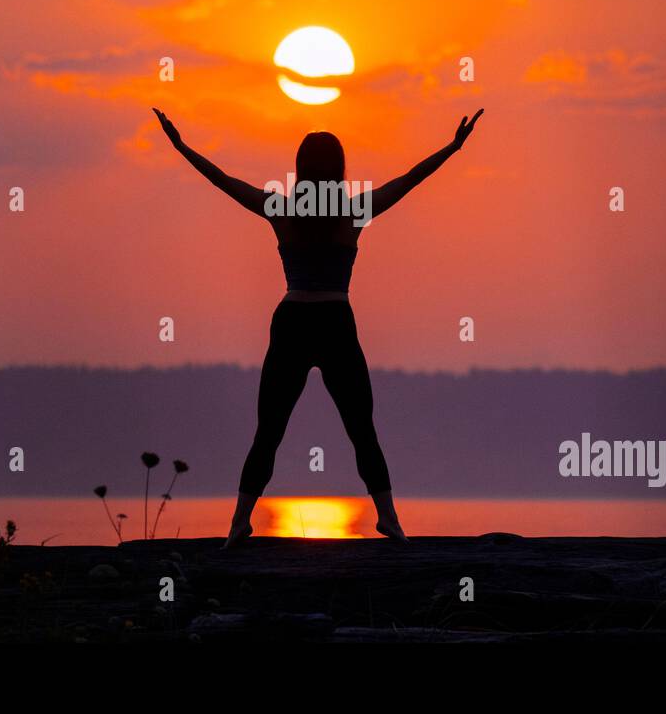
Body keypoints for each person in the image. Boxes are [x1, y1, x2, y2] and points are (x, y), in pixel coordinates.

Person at [152, 107, 484, 546]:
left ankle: (239, 523)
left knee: (270, 429)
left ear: (300, 169)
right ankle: (388, 519)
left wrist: (181, 147)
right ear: (339, 169)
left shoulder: (282, 209)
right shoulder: (354, 211)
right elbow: (410, 179)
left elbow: (223, 181)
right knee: (360, 428)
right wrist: (453, 147)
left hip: (292, 321)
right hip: (334, 322)